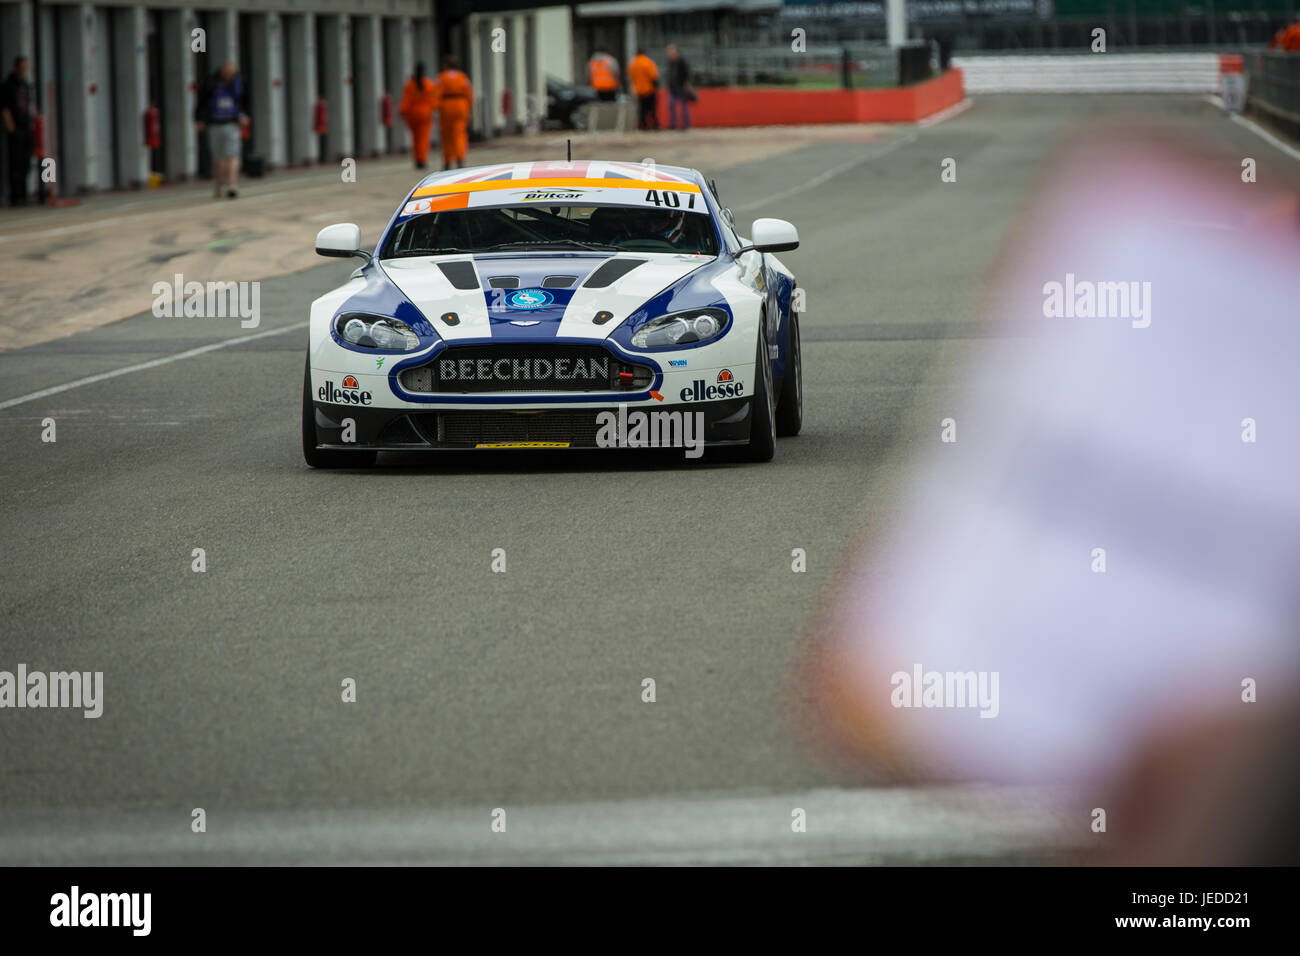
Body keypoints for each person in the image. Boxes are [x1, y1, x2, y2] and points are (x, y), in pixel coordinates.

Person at [194, 60, 248, 199]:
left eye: (232, 72)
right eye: (228, 72)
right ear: (222, 71)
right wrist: (199, 119)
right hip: (214, 124)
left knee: (232, 154)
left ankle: (232, 185)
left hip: (232, 123)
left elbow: (244, 101)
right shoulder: (211, 83)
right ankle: (220, 183)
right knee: (219, 158)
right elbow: (201, 101)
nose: (230, 75)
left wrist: (244, 115)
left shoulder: (239, 83)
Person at [1, 56, 34, 206]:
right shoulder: (8, 85)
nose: (24, 70)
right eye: (22, 67)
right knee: (15, 163)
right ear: (16, 67)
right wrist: (11, 128)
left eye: (26, 67)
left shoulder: (26, 85)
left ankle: (23, 193)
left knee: (26, 163)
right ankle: (16, 196)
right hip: (16, 129)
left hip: (27, 127)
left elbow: (29, 105)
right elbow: (5, 108)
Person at [435, 56, 472, 171]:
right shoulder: (462, 77)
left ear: (445, 65)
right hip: (461, 104)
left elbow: (436, 94)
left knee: (447, 135)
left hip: (447, 105)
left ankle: (447, 161)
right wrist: (468, 108)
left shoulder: (442, 77)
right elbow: (469, 93)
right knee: (459, 133)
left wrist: (435, 107)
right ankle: (460, 158)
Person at [399, 62, 438, 169]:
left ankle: (417, 159)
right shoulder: (429, 84)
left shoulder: (410, 85)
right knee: (423, 138)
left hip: (413, 115)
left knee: (415, 139)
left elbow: (406, 100)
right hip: (425, 114)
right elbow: (434, 101)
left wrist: (402, 112)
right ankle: (422, 159)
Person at [627, 49, 659, 130]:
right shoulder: (648, 62)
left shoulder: (632, 63)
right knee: (652, 109)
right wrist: (656, 87)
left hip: (638, 90)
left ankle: (643, 126)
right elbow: (653, 76)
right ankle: (654, 125)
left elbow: (630, 77)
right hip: (649, 89)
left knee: (642, 110)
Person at [665, 44, 691, 131]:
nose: (669, 54)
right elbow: (670, 75)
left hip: (681, 87)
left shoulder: (681, 61)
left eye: (671, 52)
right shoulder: (671, 62)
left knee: (684, 106)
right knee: (671, 105)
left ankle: (686, 124)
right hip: (673, 88)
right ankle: (673, 124)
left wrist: (685, 84)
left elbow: (686, 73)